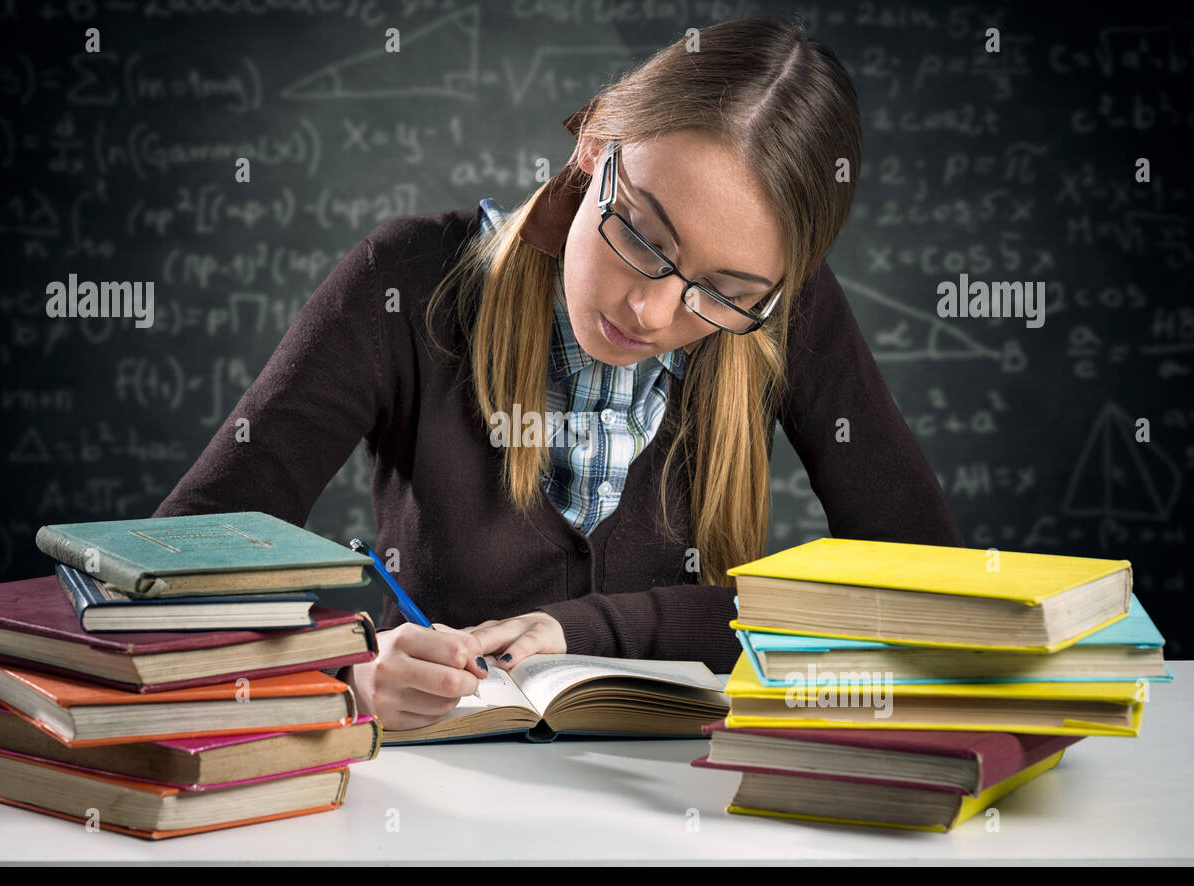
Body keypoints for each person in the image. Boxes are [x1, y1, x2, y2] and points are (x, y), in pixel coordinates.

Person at [153, 17, 964, 731]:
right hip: (440, 810)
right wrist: (346, 669)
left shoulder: (790, 314)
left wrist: (593, 630)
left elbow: (930, 597)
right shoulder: (401, 282)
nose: (652, 310)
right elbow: (177, 572)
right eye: (644, 236)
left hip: (695, 814)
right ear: (594, 149)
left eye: (722, 294)